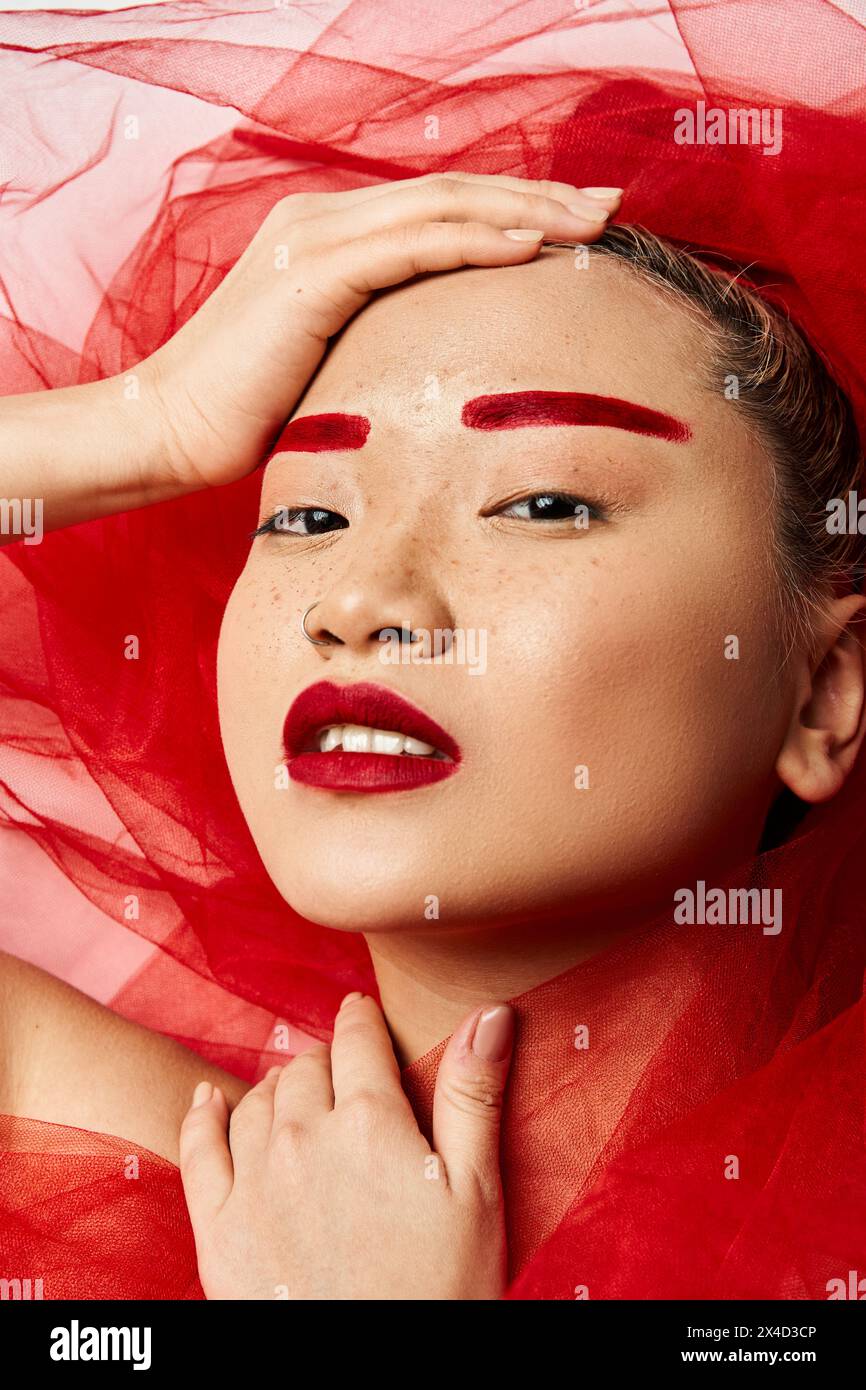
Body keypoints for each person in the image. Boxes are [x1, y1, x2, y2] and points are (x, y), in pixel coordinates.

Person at [2, 169, 865, 1298]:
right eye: (307, 513)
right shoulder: (135, 1175)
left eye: (542, 502)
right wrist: (153, 421)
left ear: (819, 693)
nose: (358, 599)